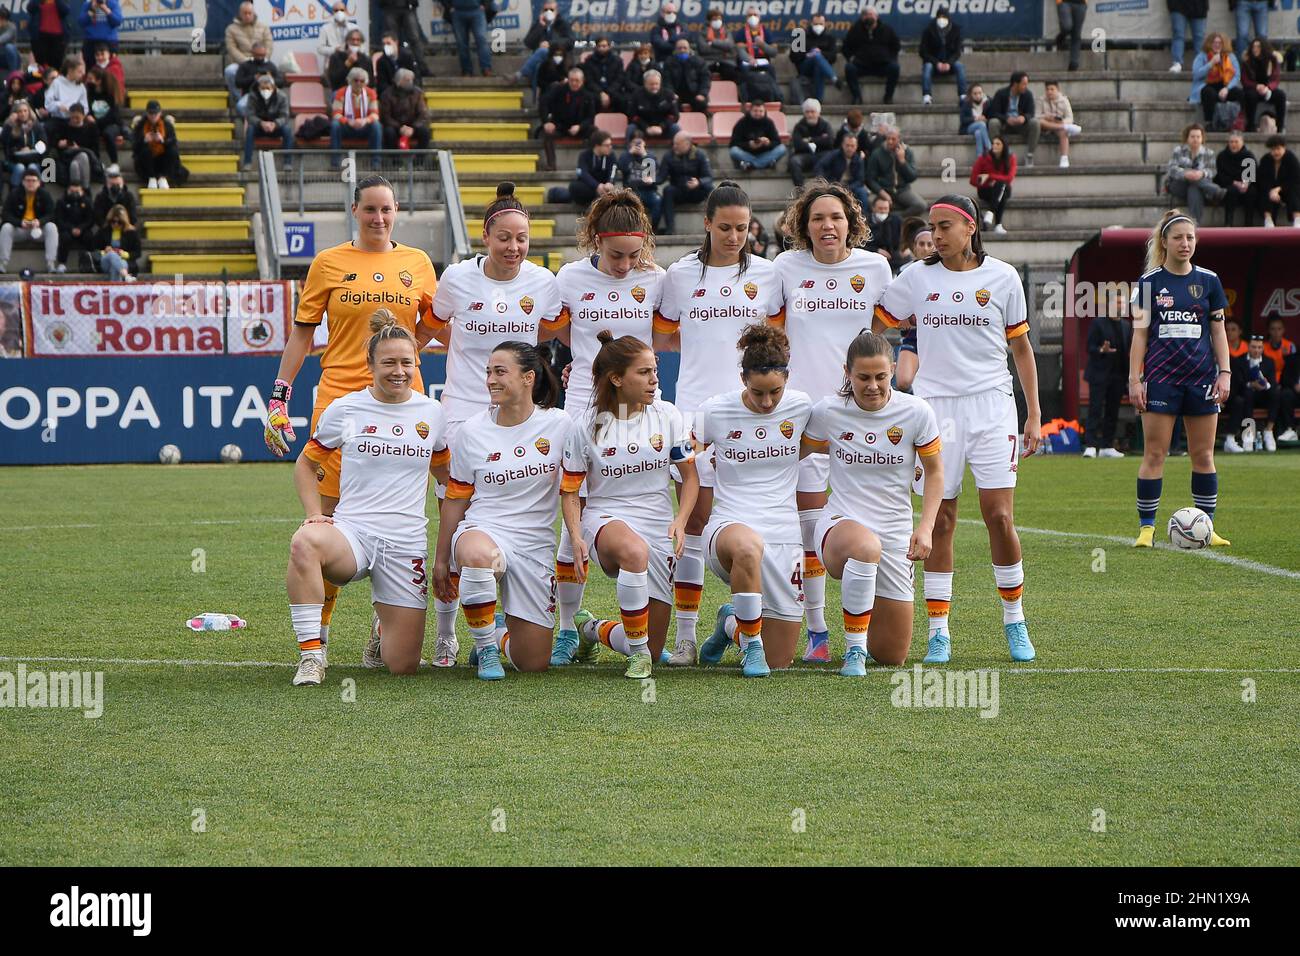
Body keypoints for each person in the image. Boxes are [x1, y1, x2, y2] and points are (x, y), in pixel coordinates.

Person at [264, 176, 440, 668]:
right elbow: (302, 336)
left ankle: (384, 626)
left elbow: (435, 323)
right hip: (341, 403)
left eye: (386, 210)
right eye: (370, 210)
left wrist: (402, 360)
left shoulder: (418, 264)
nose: (378, 218)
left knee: (400, 512)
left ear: (397, 210)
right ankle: (316, 643)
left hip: (406, 407)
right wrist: (280, 398)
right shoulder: (329, 263)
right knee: (329, 519)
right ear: (355, 211)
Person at [874, 193, 1042, 663]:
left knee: (999, 516)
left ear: (970, 229)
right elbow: (874, 322)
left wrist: (1034, 413)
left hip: (992, 406)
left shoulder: (1003, 277)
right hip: (934, 408)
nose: (937, 235)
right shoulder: (916, 277)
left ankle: (1014, 620)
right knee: (941, 519)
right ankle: (940, 631)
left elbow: (1022, 351)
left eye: (946, 226)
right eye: (933, 226)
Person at [424, 183, 565, 665]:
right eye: (504, 237)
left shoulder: (544, 283)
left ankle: (513, 612)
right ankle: (447, 632)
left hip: (518, 412)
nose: (514, 247)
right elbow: (433, 327)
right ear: (485, 236)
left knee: (520, 492)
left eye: (522, 238)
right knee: (455, 511)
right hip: (463, 411)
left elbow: (552, 331)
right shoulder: (458, 279)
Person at [656, 182, 784, 665]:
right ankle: (686, 639)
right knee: (693, 521)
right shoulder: (680, 275)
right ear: (706, 225)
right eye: (725, 227)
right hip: (694, 413)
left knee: (754, 517)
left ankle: (743, 616)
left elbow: (776, 339)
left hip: (752, 414)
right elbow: (663, 336)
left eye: (743, 228)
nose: (735, 236)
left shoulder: (769, 276)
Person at [288, 312, 449, 686]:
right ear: (370, 364)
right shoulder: (346, 409)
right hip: (353, 534)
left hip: (405, 540)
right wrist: (315, 514)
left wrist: (455, 533)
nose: (399, 371)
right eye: (389, 362)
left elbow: (445, 478)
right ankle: (312, 655)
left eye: (406, 362)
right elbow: (305, 465)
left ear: (417, 363)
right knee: (305, 542)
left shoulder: (432, 413)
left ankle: (381, 630)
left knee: (402, 666)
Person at [773, 180, 893, 662]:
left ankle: (868, 629)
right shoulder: (785, 268)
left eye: (837, 217)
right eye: (818, 218)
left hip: (860, 418)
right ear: (804, 225)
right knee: (807, 527)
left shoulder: (876, 268)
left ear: (852, 224)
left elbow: (889, 335)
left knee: (863, 524)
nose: (828, 225)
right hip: (805, 417)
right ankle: (818, 633)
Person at [550, 192, 667, 660]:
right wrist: (584, 366)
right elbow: (562, 331)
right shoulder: (570, 277)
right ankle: (564, 628)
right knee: (569, 514)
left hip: (635, 407)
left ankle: (614, 629)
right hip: (583, 406)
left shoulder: (655, 279)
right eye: (616, 254)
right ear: (596, 242)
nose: (625, 265)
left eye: (633, 255)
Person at [802, 331, 944, 672]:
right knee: (865, 547)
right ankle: (853, 651)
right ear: (847, 373)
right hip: (840, 527)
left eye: (881, 376)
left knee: (892, 654)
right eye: (863, 377)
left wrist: (925, 529)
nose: (873, 385)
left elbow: (936, 473)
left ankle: (865, 640)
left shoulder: (917, 412)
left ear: (893, 370)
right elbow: (792, 453)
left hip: (895, 535)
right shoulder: (829, 412)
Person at [560, 332, 698, 676]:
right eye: (644, 373)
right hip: (606, 516)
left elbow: (690, 477)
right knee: (635, 551)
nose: (654, 380)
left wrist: (680, 521)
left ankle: (591, 630)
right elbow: (570, 491)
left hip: (657, 521)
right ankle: (637, 656)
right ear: (617, 379)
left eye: (655, 370)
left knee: (654, 644)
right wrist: (576, 537)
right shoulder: (586, 425)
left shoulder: (668, 416)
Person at [433, 342, 570, 680]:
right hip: (485, 532)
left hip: (533, 547)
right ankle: (487, 650)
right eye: (488, 372)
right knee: (480, 557)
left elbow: (576, 487)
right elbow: (455, 499)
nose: (491, 380)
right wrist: (442, 559)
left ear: (528, 378)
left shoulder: (560, 425)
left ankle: (494, 634)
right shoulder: (471, 431)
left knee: (533, 662)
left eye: (499, 371)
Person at [690, 324, 811, 676]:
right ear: (743, 379)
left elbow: (821, 443)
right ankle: (752, 647)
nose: (767, 402)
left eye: (776, 391)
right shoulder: (715, 411)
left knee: (782, 660)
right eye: (758, 392)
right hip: (730, 528)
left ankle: (731, 625)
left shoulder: (802, 407)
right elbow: (683, 457)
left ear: (787, 378)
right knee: (747, 546)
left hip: (784, 536)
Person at [1127, 209, 1231, 546]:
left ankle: (1208, 527)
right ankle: (1147, 528)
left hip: (1201, 379)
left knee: (1203, 456)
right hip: (1160, 380)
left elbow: (1218, 332)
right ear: (1165, 242)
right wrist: (1135, 379)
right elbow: (1140, 336)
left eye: (1190, 237)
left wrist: (1225, 373)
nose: (1185, 243)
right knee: (1155, 455)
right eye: (1178, 238)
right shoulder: (1148, 283)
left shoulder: (1210, 281)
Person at [1082, 314, 1130, 458]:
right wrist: (1101, 350)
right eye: (1117, 302)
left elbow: (1127, 351)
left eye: (1122, 303)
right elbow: (1089, 347)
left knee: (1112, 411)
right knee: (1095, 409)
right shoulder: (1098, 323)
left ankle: (1106, 446)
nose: (1119, 306)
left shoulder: (1126, 326)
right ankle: (1090, 445)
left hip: (1118, 376)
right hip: (1099, 375)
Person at [1224, 333, 1280, 452]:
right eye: (1254, 347)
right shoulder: (1238, 361)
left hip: (1263, 395)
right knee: (1247, 394)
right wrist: (1251, 384)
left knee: (1275, 394)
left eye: (1259, 347)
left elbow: (1273, 383)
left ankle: (1269, 431)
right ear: (1248, 347)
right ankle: (1248, 433)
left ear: (1262, 348)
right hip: (1246, 395)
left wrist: (1265, 384)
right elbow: (1237, 384)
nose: (1256, 350)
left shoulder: (1269, 362)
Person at [0, 164, 58, 272]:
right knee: (6, 227)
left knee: (51, 227)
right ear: (22, 182)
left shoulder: (44, 194)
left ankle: (51, 263)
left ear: (39, 183)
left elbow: (52, 214)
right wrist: (19, 222)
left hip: (38, 230)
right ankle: (3, 263)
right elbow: (5, 214)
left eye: (33, 180)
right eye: (27, 180)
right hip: (21, 229)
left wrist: (40, 222)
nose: (30, 183)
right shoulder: (15, 193)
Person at [1166, 122, 1224, 224]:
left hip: (1197, 185)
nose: (1195, 139)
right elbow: (1171, 168)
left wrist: (1201, 174)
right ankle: (1214, 190)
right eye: (1192, 136)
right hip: (1178, 185)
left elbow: (1212, 171)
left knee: (1194, 188)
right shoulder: (1178, 151)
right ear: (1187, 138)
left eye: (1198, 136)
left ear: (1202, 138)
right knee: (1192, 181)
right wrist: (1185, 173)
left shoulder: (1209, 153)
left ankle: (1194, 226)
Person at [539, 67, 594, 171]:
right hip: (560, 126)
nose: (574, 83)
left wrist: (580, 126)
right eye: (571, 80)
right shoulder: (559, 90)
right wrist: (546, 122)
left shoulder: (588, 95)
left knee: (595, 133)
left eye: (577, 81)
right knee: (547, 134)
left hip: (579, 128)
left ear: (582, 81)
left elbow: (590, 118)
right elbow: (544, 102)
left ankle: (590, 164)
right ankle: (551, 165)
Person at [843, 6, 900, 106]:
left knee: (895, 68)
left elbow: (896, 46)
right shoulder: (855, 30)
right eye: (866, 15)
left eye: (871, 15)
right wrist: (850, 58)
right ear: (862, 17)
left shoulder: (887, 29)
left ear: (877, 16)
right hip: (861, 65)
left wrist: (891, 58)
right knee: (849, 68)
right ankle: (857, 97)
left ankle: (888, 97)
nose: (869, 17)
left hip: (882, 65)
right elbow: (846, 47)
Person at [658, 129, 712, 234]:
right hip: (679, 191)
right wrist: (651, 180)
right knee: (667, 190)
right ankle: (670, 228)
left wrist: (699, 182)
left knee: (711, 189)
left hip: (696, 191)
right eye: (674, 144)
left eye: (677, 144)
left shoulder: (700, 155)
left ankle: (711, 225)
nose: (674, 147)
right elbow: (661, 177)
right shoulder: (669, 155)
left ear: (687, 144)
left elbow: (709, 177)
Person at [865, 125, 925, 218]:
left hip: (902, 190)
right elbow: (870, 179)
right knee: (868, 203)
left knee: (921, 205)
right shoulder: (877, 153)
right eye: (888, 139)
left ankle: (893, 218)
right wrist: (882, 193)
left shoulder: (907, 152)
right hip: (883, 189)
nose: (890, 142)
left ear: (899, 139)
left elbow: (912, 177)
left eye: (893, 139)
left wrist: (902, 161)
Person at [986, 71, 1040, 166]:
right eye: (1023, 84)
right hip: (1005, 124)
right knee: (993, 122)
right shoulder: (1001, 93)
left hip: (1021, 124)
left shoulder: (1028, 94)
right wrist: (1006, 118)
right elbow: (993, 112)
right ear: (1015, 84)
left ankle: (1030, 155)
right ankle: (998, 154)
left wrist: (1024, 118)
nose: (1025, 86)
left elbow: (1031, 113)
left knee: (1035, 123)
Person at [553, 128, 616, 206]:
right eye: (607, 145)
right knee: (574, 186)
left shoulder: (611, 155)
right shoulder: (584, 155)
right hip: (590, 187)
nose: (610, 147)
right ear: (597, 146)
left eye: (610, 145)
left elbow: (613, 170)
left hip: (604, 187)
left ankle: (598, 199)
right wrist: (597, 186)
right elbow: (583, 173)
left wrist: (610, 182)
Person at [517, 2, 571, 91]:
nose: (548, 12)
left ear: (556, 11)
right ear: (542, 11)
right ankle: (535, 100)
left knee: (542, 51)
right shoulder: (539, 24)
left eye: (551, 10)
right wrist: (540, 26)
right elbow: (528, 43)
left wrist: (550, 44)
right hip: (542, 61)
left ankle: (520, 74)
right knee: (537, 67)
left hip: (558, 56)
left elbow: (570, 41)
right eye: (546, 10)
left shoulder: (562, 24)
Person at [329, 68, 382, 158]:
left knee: (376, 125)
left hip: (363, 125)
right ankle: (335, 163)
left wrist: (365, 121)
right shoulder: (341, 92)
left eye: (362, 81)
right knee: (335, 125)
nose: (358, 83)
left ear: (366, 82)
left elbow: (375, 114)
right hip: (347, 126)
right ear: (350, 80)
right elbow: (336, 114)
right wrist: (348, 121)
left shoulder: (371, 93)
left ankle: (376, 163)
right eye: (355, 80)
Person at [224, 2, 272, 101]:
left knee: (270, 72)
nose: (247, 16)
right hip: (241, 63)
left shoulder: (264, 28)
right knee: (229, 71)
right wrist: (246, 62)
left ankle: (265, 100)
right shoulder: (231, 29)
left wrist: (262, 59)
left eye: (250, 13)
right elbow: (231, 49)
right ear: (240, 14)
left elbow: (269, 45)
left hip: (260, 62)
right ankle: (239, 99)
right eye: (245, 13)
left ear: (253, 13)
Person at [243, 73, 292, 168]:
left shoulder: (282, 96)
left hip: (275, 127)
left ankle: (287, 162)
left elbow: (285, 116)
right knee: (250, 130)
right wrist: (261, 123)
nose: (265, 90)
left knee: (287, 130)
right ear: (258, 88)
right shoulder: (253, 97)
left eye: (267, 88)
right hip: (259, 127)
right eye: (262, 88)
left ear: (273, 87)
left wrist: (275, 124)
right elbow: (250, 115)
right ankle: (247, 162)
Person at [919, 6, 966, 105]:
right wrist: (936, 63)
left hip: (950, 64)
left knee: (960, 66)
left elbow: (957, 52)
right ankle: (927, 96)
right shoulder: (928, 31)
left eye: (944, 17)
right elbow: (923, 52)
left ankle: (963, 95)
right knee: (927, 67)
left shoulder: (956, 30)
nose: (941, 19)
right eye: (939, 17)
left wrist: (949, 63)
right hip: (933, 64)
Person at [970, 133, 1016, 234]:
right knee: (1001, 189)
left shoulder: (1011, 158)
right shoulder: (983, 158)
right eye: (993, 143)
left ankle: (991, 212)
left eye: (998, 144)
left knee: (1001, 185)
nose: (994, 145)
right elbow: (973, 180)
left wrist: (990, 176)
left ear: (1004, 146)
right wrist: (987, 183)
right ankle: (998, 224)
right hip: (986, 190)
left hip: (1003, 188)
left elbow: (1009, 178)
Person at [1192, 32, 1242, 123]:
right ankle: (1209, 122)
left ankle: (1239, 122)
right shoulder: (1202, 56)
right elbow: (1196, 75)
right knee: (1209, 93)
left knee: (1240, 93)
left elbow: (1237, 75)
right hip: (1207, 85)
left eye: (1220, 43)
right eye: (1214, 42)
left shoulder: (1230, 56)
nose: (1217, 45)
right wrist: (1211, 64)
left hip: (1226, 85)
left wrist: (1227, 89)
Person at [733, 7, 780, 104]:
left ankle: (775, 98)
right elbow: (739, 50)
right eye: (750, 15)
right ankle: (746, 99)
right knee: (742, 72)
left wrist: (763, 45)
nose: (753, 17)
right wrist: (749, 58)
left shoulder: (766, 32)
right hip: (747, 62)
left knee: (771, 70)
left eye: (755, 15)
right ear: (746, 18)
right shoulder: (741, 33)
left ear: (759, 17)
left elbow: (773, 52)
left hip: (763, 62)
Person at [789, 13, 839, 104]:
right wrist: (807, 55)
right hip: (805, 67)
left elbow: (833, 57)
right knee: (816, 56)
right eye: (816, 24)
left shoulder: (830, 37)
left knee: (818, 63)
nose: (818, 26)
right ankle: (834, 78)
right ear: (811, 24)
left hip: (821, 68)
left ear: (825, 24)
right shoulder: (800, 36)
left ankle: (818, 102)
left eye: (821, 24)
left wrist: (821, 53)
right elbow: (793, 56)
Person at [131, 99, 179, 190]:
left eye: (155, 114)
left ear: (160, 113)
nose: (153, 116)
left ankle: (163, 176)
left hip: (163, 158)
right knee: (145, 150)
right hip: (146, 161)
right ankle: (151, 177)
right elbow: (135, 147)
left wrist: (162, 141)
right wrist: (144, 140)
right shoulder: (140, 126)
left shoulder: (167, 125)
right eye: (150, 114)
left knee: (172, 151)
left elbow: (174, 143)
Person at [617, 133, 662, 228]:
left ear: (644, 143)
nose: (637, 145)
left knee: (657, 201)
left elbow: (654, 173)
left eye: (639, 143)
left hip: (648, 190)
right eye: (635, 143)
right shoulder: (625, 156)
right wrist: (630, 154)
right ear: (630, 144)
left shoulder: (650, 156)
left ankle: (653, 229)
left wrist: (644, 155)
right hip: (630, 191)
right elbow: (621, 167)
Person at [814, 133, 870, 210]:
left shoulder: (858, 160)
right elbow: (820, 166)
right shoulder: (834, 155)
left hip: (850, 186)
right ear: (842, 145)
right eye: (847, 145)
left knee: (862, 193)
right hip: (834, 184)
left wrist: (847, 188)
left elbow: (860, 180)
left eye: (852, 146)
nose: (849, 148)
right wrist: (823, 181)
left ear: (856, 147)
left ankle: (864, 218)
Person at [1241, 38, 1286, 133]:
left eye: (1258, 47)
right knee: (1250, 96)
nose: (1255, 49)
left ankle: (1280, 126)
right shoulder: (1247, 61)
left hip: (1268, 89)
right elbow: (1245, 80)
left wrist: (1268, 88)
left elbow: (1275, 78)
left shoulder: (1272, 60)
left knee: (1281, 95)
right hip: (1253, 88)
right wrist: (1256, 86)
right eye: (1253, 47)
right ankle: (1250, 126)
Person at [379, 68, 430, 151]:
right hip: (395, 126)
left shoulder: (418, 93)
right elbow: (385, 116)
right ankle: (394, 160)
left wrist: (413, 127)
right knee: (389, 133)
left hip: (413, 126)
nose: (410, 82)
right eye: (407, 80)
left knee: (425, 132)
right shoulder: (387, 94)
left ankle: (419, 159)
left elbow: (423, 114)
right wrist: (400, 127)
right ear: (399, 81)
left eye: (411, 80)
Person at [1256, 133, 1300, 227]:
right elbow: (1262, 180)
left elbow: (1295, 179)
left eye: (1278, 149)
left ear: (1284, 148)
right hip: (1271, 190)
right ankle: (1268, 220)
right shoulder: (1265, 160)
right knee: (1263, 192)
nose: (1276, 152)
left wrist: (1278, 189)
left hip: (1286, 189)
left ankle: (1297, 219)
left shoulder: (1291, 159)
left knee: (1295, 191)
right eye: (1273, 149)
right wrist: (1271, 191)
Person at [1, 99, 47, 189]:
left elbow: (44, 143)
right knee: (20, 168)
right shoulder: (11, 125)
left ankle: (37, 192)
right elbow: (4, 141)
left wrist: (31, 149)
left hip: (33, 159)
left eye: (25, 111)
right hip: (14, 160)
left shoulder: (36, 126)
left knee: (32, 167)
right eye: (20, 111)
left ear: (29, 111)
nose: (23, 114)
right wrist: (9, 123)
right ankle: (15, 194)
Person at [1214, 130, 1258, 225]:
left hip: (1245, 184)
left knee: (1251, 192)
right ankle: (1228, 223)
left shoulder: (1248, 156)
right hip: (1229, 184)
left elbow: (1252, 174)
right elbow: (1221, 175)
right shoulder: (1222, 156)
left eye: (1236, 142)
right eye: (1231, 142)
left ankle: (1249, 223)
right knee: (1231, 191)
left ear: (1242, 142)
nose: (1233, 144)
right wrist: (1235, 183)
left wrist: (1246, 183)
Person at [729, 100, 785, 172]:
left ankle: (752, 165)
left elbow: (777, 142)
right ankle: (764, 164)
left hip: (765, 154)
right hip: (747, 154)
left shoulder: (769, 123)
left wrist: (768, 143)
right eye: (755, 111)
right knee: (734, 151)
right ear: (750, 111)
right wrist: (749, 144)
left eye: (761, 111)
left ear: (764, 112)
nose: (758, 113)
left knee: (782, 148)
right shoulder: (742, 123)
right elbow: (733, 143)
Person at [232, 42, 285, 119]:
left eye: (262, 55)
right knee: (240, 106)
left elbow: (281, 82)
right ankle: (252, 122)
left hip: (269, 95)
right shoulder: (245, 65)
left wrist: (271, 79)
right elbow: (238, 82)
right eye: (258, 55)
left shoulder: (270, 65)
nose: (260, 58)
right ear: (252, 53)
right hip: (251, 95)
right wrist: (253, 78)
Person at [790, 98, 834, 188]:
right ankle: (800, 190)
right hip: (805, 155)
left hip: (822, 154)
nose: (810, 114)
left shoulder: (825, 125)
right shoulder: (799, 126)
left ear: (818, 113)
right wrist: (820, 139)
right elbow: (797, 144)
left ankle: (821, 188)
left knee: (827, 159)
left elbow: (830, 142)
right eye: (807, 112)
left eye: (813, 112)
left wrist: (809, 140)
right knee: (794, 161)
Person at [53, 102, 99, 187]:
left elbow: (95, 149)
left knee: (79, 160)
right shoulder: (63, 127)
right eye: (72, 117)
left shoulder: (91, 128)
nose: (74, 120)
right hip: (67, 158)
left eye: (77, 118)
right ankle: (85, 189)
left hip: (87, 160)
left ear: (83, 116)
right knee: (78, 160)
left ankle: (77, 190)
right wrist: (60, 144)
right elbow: (57, 144)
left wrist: (78, 148)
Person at [626, 69, 679, 142]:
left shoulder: (669, 95)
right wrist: (646, 127)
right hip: (642, 128)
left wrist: (661, 127)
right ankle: (630, 152)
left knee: (676, 128)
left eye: (657, 84)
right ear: (645, 83)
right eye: (651, 84)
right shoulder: (636, 95)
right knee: (631, 128)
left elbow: (674, 115)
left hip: (664, 128)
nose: (654, 87)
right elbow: (632, 116)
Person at [1039, 79, 1082, 167]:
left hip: (1058, 124)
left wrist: (1061, 121)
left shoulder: (1064, 100)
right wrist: (1047, 117)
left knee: (1063, 132)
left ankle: (1064, 158)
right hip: (1045, 125)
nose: (1049, 92)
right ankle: (1064, 127)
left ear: (1057, 89)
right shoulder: (1040, 100)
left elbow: (1070, 117)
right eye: (1047, 89)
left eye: (1052, 89)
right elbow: (1036, 116)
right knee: (1040, 121)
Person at [90, 200, 137, 280]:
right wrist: (104, 251)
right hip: (105, 261)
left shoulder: (131, 233)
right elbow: (93, 248)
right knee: (112, 254)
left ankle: (116, 290)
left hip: (123, 260)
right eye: (113, 221)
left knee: (118, 266)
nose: (115, 224)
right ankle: (126, 276)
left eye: (119, 222)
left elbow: (137, 252)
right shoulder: (103, 231)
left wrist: (124, 254)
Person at [664, 38, 710, 114]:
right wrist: (671, 94)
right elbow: (667, 81)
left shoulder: (699, 61)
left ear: (689, 49)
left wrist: (702, 94)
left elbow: (705, 80)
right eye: (679, 48)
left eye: (685, 48)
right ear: (675, 50)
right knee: (671, 105)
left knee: (701, 104)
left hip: (695, 93)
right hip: (677, 93)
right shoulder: (669, 62)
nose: (682, 50)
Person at [53, 178, 92, 271]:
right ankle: (62, 263)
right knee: (65, 237)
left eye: (77, 191)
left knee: (89, 236)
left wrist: (80, 228)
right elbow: (59, 219)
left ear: (82, 191)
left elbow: (90, 219)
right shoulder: (61, 202)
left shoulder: (87, 202)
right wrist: (71, 229)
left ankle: (87, 262)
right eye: (72, 191)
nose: (74, 193)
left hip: (82, 229)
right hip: (67, 229)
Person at [84, 67, 122, 162]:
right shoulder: (89, 92)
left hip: (110, 124)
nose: (88, 81)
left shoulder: (110, 94)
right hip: (95, 124)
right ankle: (96, 161)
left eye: (90, 79)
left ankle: (114, 163)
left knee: (108, 134)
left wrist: (97, 121)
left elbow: (113, 115)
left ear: (98, 81)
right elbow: (87, 108)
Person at [448, 0, 493, 78]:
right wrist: (449, 6)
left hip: (477, 10)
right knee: (461, 43)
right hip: (458, 12)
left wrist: (485, 5)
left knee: (481, 39)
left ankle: (486, 68)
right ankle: (466, 70)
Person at [43, 53, 87, 131]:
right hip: (58, 119)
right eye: (79, 72)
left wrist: (77, 112)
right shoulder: (57, 83)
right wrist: (58, 105)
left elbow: (85, 106)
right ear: (70, 70)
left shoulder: (81, 87)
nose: (81, 75)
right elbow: (48, 103)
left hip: (75, 119)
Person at [581, 35, 625, 113]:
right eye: (599, 46)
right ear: (596, 47)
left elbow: (619, 79)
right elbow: (589, 80)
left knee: (623, 100)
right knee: (589, 99)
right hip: (595, 91)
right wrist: (601, 93)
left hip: (613, 90)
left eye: (604, 46)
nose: (601, 48)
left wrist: (608, 92)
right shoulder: (589, 61)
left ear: (609, 46)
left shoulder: (617, 61)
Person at [377, 0, 426, 65]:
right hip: (390, 7)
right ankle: (392, 66)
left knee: (414, 38)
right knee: (391, 39)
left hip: (408, 7)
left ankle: (421, 66)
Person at [26, 0, 70, 72]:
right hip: (40, 36)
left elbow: (66, 11)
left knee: (56, 65)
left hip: (58, 36)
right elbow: (30, 8)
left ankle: (54, 81)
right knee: (41, 65)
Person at [695, 8, 737, 82]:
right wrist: (722, 47)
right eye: (714, 19)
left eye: (719, 19)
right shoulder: (702, 33)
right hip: (708, 61)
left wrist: (712, 42)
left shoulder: (726, 32)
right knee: (704, 74)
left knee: (730, 72)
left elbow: (730, 45)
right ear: (709, 21)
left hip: (726, 60)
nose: (717, 21)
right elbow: (704, 49)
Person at [327, 28, 373, 94]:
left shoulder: (366, 59)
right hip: (341, 92)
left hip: (362, 92)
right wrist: (347, 63)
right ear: (347, 41)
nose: (355, 42)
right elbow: (334, 80)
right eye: (352, 40)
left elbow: (370, 82)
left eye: (358, 40)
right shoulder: (336, 57)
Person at [1169, 0, 1209, 72]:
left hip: (1199, 5)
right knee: (1178, 34)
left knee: (1199, 37)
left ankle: (1200, 64)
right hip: (1177, 4)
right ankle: (1177, 62)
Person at [93, 161, 134, 227]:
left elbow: (133, 217)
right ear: (107, 184)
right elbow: (98, 217)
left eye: (118, 184)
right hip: (106, 229)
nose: (115, 187)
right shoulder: (100, 197)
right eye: (112, 184)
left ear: (122, 183)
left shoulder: (128, 196)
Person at [864, 191, 902, 261]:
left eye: (885, 208)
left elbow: (904, 237)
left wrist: (906, 247)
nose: (883, 211)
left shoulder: (895, 220)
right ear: (873, 208)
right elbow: (859, 245)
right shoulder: (865, 222)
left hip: (893, 256)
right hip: (871, 256)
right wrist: (876, 250)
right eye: (880, 208)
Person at [960, 83, 991, 156]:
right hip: (968, 127)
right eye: (975, 93)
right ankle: (989, 148)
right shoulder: (966, 103)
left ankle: (979, 158)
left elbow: (992, 116)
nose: (978, 96)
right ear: (971, 94)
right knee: (981, 124)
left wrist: (986, 119)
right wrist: (975, 119)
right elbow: (963, 120)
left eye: (980, 93)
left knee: (978, 133)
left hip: (982, 129)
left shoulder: (987, 102)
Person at [1055, 0, 1087, 72]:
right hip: (1064, 2)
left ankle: (1074, 63)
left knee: (1076, 34)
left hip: (1081, 4)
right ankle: (1060, 38)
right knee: (1066, 27)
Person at [0, 10, 19, 76]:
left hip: (10, 58)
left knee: (9, 47)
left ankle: (13, 74)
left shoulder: (12, 27)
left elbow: (3, 38)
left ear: (6, 19)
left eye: (2, 19)